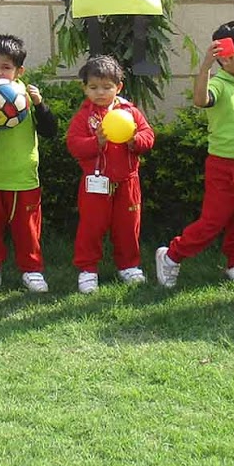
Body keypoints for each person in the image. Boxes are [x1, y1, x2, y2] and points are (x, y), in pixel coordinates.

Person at [156, 21, 234, 290]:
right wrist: (205, 66)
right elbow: (201, 100)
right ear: (225, 58)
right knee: (213, 222)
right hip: (223, 168)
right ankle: (171, 256)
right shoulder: (218, 84)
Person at [0, 35, 58, 294]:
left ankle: (32, 270)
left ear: (19, 71)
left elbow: (50, 131)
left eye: (6, 67)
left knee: (27, 229)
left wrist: (41, 106)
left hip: (24, 176)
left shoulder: (27, 98)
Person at [65, 55, 155, 294]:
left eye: (107, 87)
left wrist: (134, 140)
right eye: (93, 87)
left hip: (127, 182)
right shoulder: (84, 117)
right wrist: (96, 142)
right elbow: (74, 145)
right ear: (84, 88)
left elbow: (148, 137)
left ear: (119, 87)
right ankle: (87, 269)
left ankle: (129, 265)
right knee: (91, 227)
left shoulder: (130, 112)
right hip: (95, 183)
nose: (100, 93)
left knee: (128, 226)